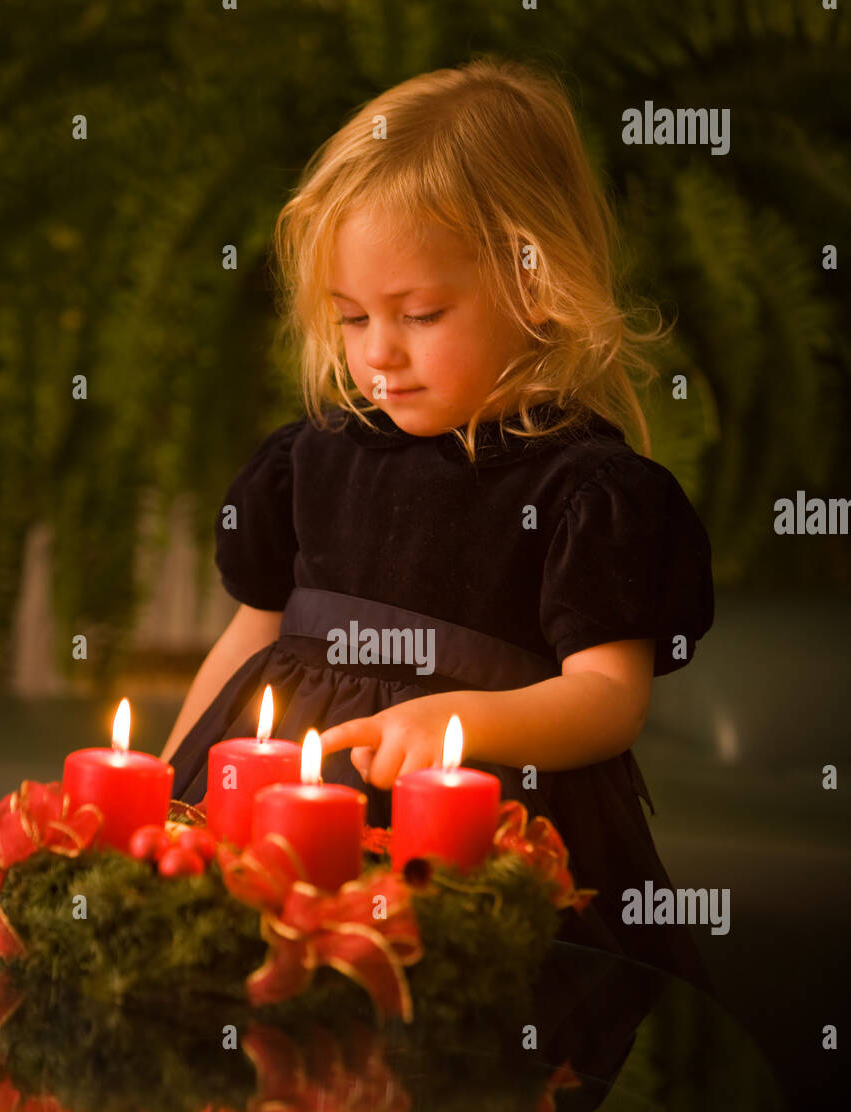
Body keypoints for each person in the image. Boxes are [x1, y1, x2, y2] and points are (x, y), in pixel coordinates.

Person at [162, 56, 715, 994]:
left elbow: (608, 700)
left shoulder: (589, 493)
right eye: (350, 319)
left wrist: (465, 721)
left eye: (420, 314)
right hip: (282, 827)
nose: (379, 352)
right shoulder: (308, 461)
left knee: (461, 1038)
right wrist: (162, 790)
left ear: (535, 284)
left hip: (482, 844)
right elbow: (250, 638)